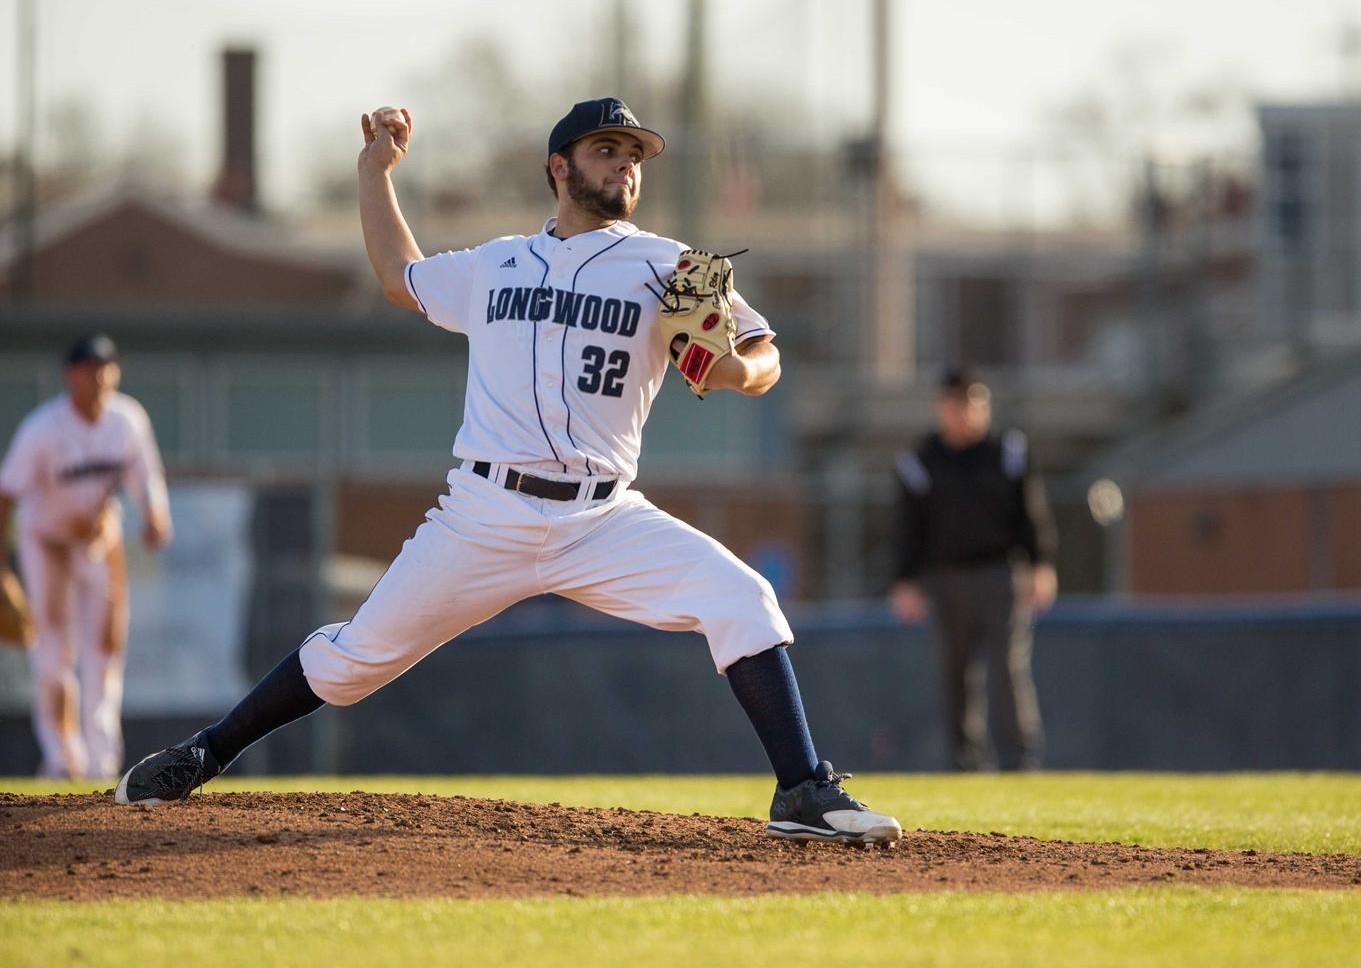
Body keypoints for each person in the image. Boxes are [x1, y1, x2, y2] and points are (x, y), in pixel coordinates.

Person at [114, 98, 901, 846]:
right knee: (354, 660)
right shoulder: (496, 264)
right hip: (484, 510)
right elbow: (400, 276)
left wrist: (737, 371)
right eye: (606, 151)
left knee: (742, 596)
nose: (624, 167)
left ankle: (801, 790)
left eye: (634, 157)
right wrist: (374, 174)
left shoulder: (671, 265)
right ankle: (205, 754)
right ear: (559, 166)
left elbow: (765, 356)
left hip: (603, 516)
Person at [0, 334, 172, 779]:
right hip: (48, 542)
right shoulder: (43, 428)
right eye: (88, 366)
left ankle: (101, 760)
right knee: (53, 652)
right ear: (69, 374)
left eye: (106, 366)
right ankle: (62, 758)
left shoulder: (126, 419)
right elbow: (6, 495)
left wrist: (154, 513)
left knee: (106, 650)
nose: (98, 375)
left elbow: (145, 472)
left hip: (99, 540)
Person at [889, 370, 1058, 771]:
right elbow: (906, 528)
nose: (962, 413)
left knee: (1007, 670)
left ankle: (1019, 761)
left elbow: (1032, 514)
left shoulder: (1009, 453)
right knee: (954, 672)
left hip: (999, 573)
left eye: (970, 403)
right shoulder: (920, 462)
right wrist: (904, 580)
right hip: (944, 577)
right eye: (954, 404)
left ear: (984, 407)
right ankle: (964, 762)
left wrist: (1041, 563)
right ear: (940, 408)